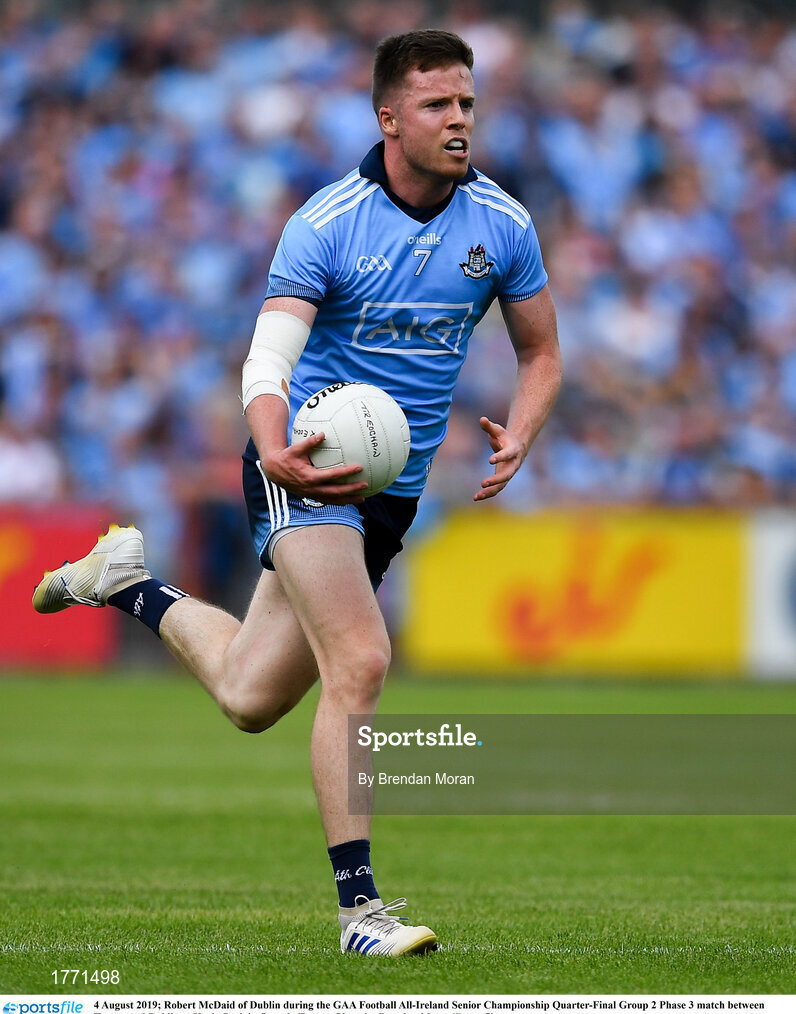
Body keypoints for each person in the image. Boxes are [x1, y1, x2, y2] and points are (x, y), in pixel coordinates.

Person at [33, 29, 562, 957]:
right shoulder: (328, 222)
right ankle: (363, 914)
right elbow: (270, 353)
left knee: (250, 696)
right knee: (360, 659)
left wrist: (523, 425)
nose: (460, 122)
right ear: (389, 118)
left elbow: (542, 351)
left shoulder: (503, 225)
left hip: (388, 493)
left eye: (468, 104)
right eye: (439, 106)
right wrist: (274, 448)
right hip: (307, 464)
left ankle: (122, 584)